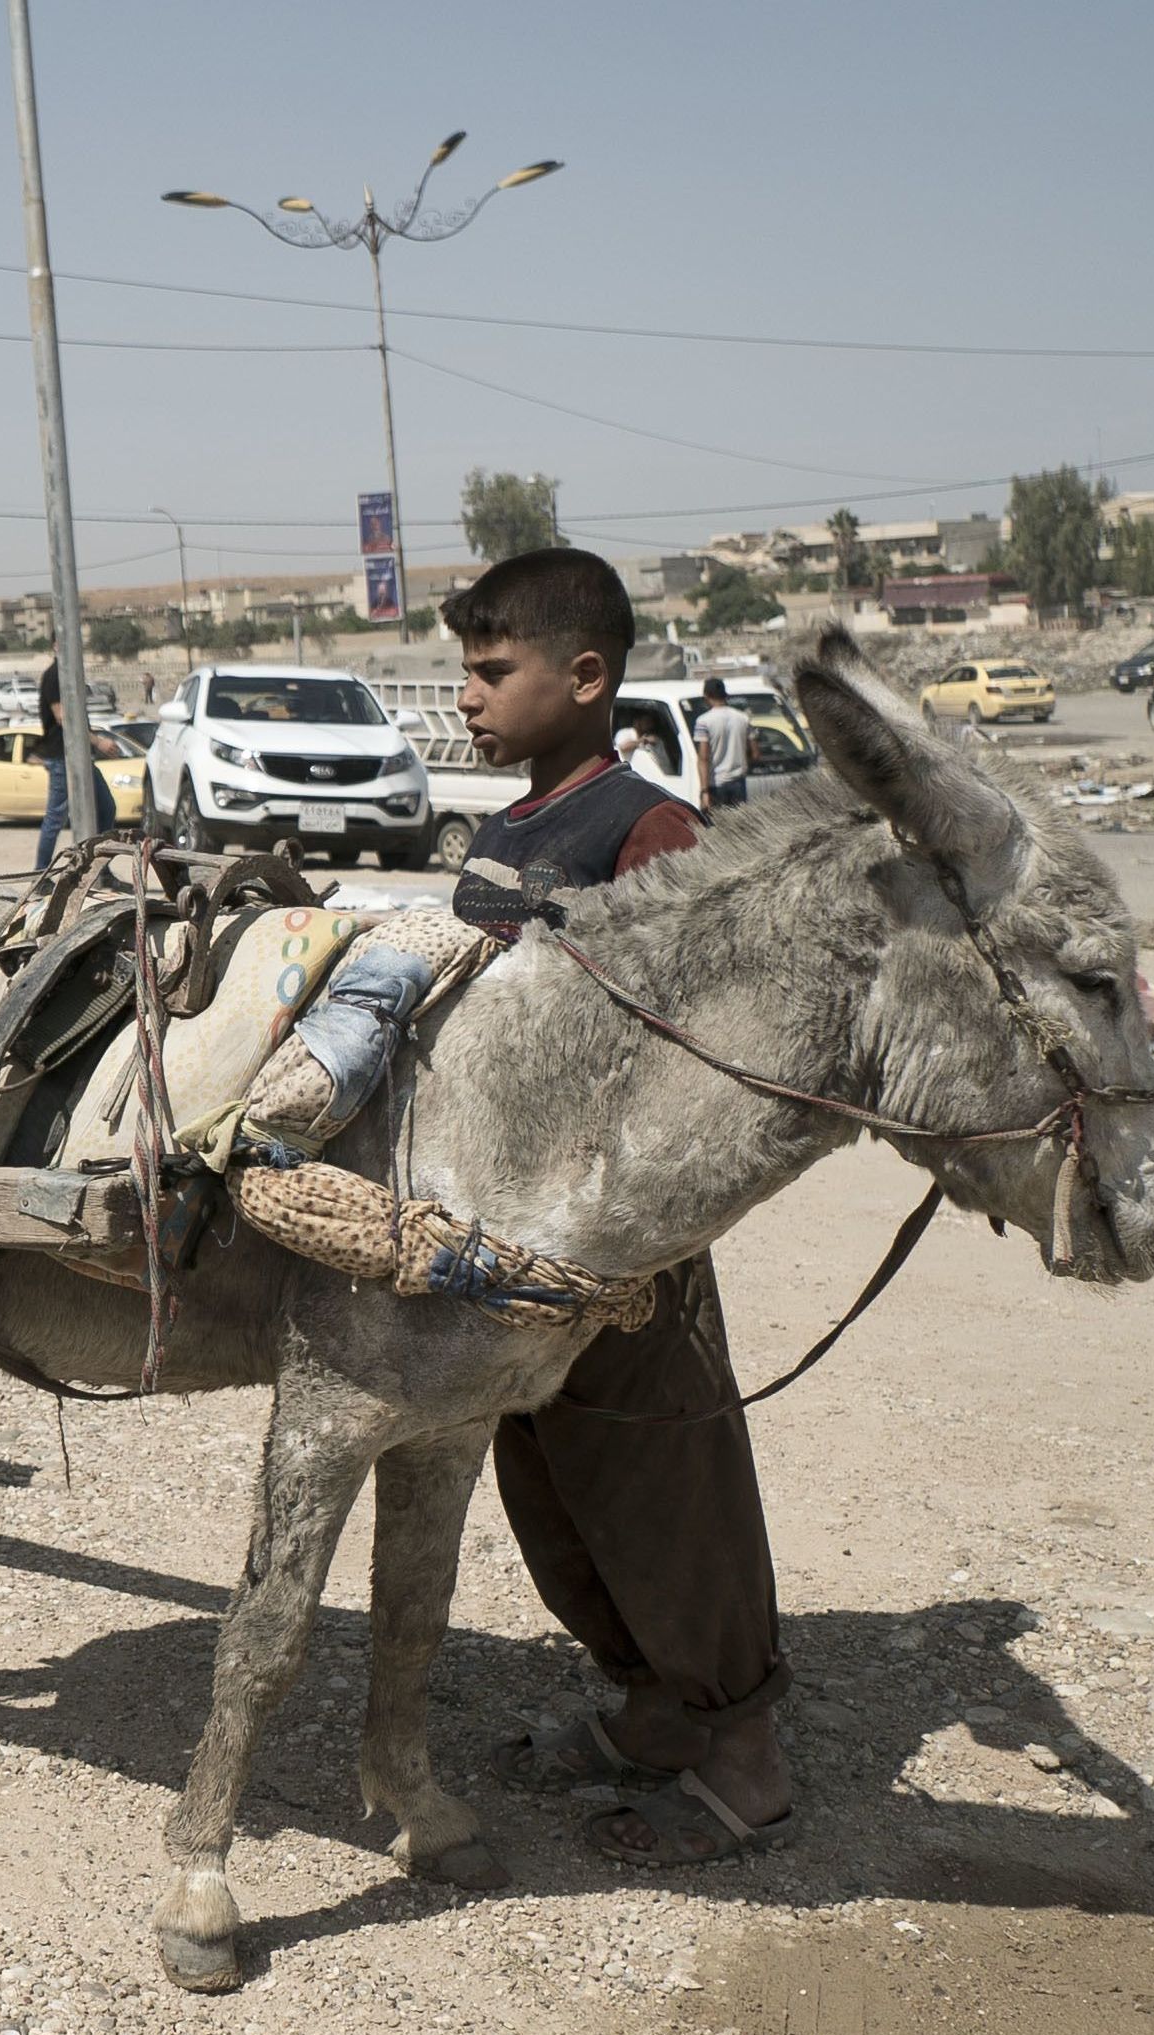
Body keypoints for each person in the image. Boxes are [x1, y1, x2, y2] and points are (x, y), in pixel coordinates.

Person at [437, 549, 794, 1867]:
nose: (466, 699)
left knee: (666, 1487)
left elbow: (702, 1033)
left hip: (624, 1242)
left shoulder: (645, 829)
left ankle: (744, 1754)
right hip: (515, 1230)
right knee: (551, 1475)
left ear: (585, 678)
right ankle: (646, 1710)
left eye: (491, 671)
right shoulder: (508, 825)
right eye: (463, 672)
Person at [31, 657, 118, 869]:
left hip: (80, 756)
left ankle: (99, 870)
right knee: (55, 818)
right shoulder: (54, 674)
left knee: (106, 809)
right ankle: (40, 872)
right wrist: (98, 741)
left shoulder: (71, 675)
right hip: (62, 757)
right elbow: (63, 718)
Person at [693, 677, 756, 811]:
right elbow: (755, 753)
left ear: (706, 696)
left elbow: (703, 758)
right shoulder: (743, 718)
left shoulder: (703, 721)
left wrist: (704, 792)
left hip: (716, 785)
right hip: (739, 784)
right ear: (725, 695)